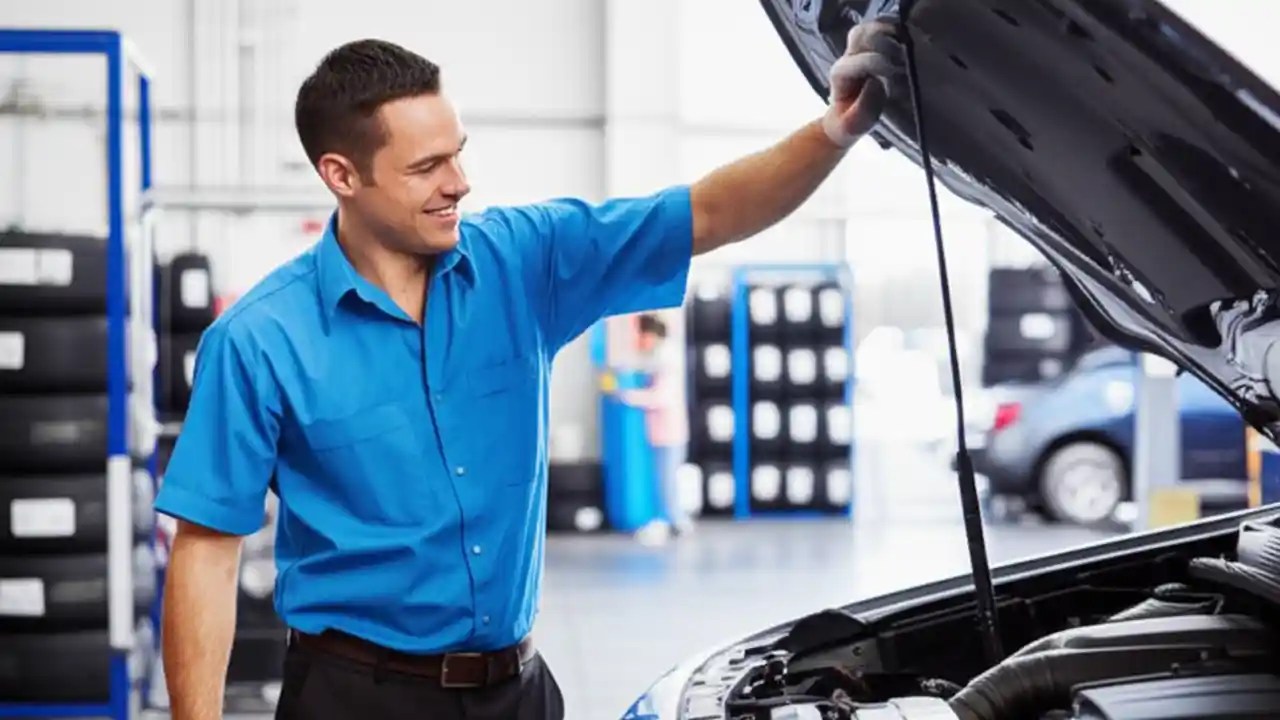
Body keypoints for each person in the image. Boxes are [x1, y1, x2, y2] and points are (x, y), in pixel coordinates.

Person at [153, 16, 903, 720]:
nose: (460, 182)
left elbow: (705, 214)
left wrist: (832, 131)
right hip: (357, 696)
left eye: (457, 150)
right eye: (426, 167)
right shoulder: (258, 340)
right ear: (341, 176)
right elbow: (207, 556)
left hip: (519, 691)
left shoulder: (523, 261)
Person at [624, 312, 694, 545]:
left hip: (670, 432)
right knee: (664, 482)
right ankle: (673, 522)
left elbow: (661, 396)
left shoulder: (666, 360)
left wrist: (630, 397)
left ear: (651, 335)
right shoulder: (659, 359)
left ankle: (675, 524)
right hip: (662, 432)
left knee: (667, 483)